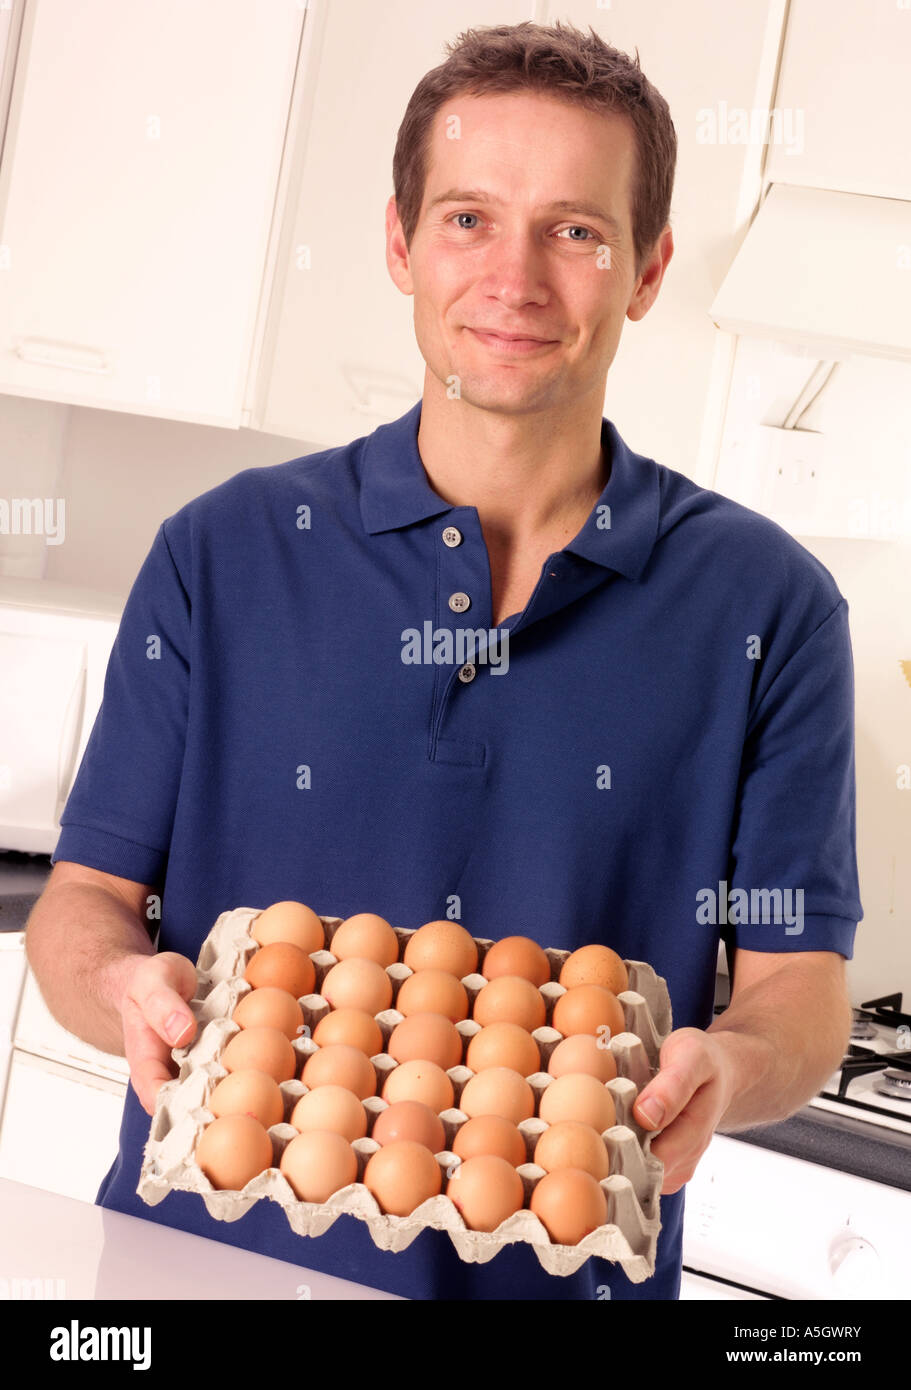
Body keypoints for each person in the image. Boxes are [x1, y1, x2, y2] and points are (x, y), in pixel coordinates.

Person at [25, 20, 861, 1300]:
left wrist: (733, 1068)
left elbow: (796, 986)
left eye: (575, 230)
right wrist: (121, 987)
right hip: (190, 1273)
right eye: (469, 217)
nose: (515, 280)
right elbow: (81, 900)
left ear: (645, 269)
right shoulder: (227, 551)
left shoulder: (767, 607)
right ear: (397, 242)